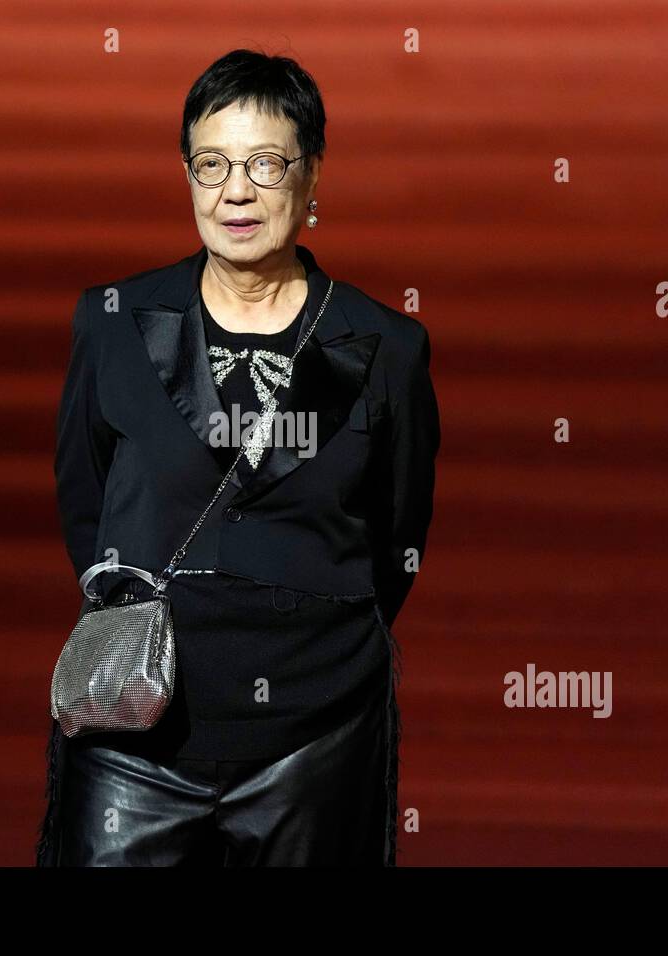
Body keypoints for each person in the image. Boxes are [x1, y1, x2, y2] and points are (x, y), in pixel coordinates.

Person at [36, 48, 440, 866]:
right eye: (211, 163)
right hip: (133, 732)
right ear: (186, 173)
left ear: (312, 172)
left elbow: (396, 538)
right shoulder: (114, 321)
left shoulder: (385, 346)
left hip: (312, 741)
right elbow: (85, 504)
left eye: (264, 163)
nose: (236, 191)